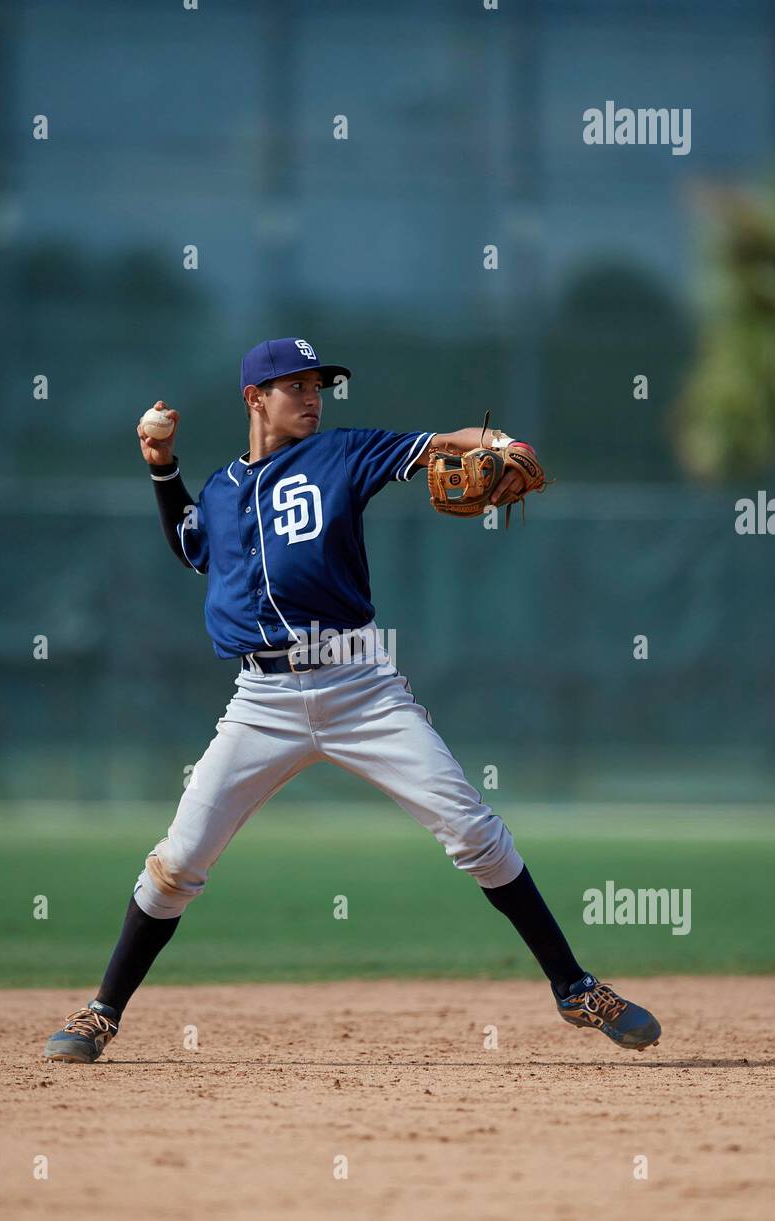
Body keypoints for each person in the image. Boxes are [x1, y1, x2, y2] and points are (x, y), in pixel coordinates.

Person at [43, 337, 660, 1062]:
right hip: (260, 702)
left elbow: (437, 443)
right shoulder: (218, 489)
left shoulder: (341, 453)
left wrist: (499, 440)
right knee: (177, 862)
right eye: (294, 385)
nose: (312, 397)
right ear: (255, 398)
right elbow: (189, 543)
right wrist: (161, 467)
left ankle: (575, 988)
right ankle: (101, 1012)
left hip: (360, 688)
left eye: (318, 386)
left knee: (476, 833)